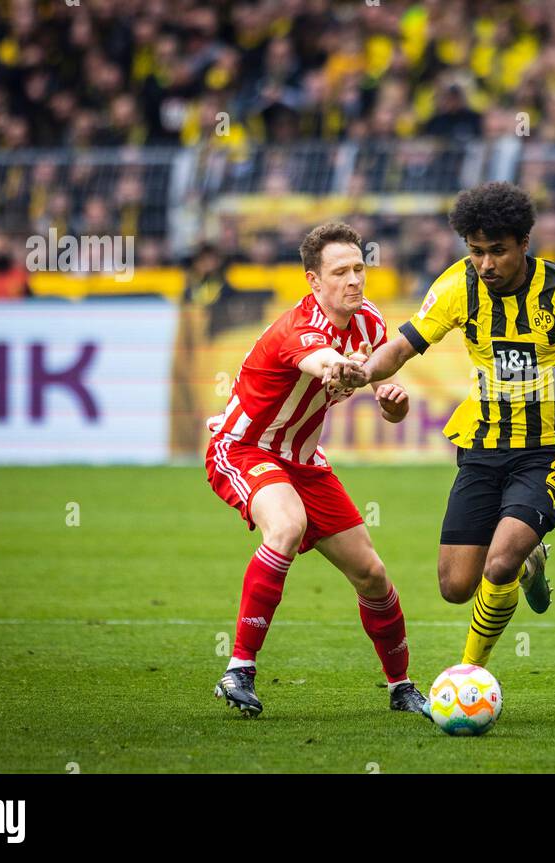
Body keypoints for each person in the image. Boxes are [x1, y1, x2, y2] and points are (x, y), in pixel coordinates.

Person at [348, 182, 555, 670]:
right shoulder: (457, 286)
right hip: (482, 445)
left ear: (524, 243)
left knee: (499, 563)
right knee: (456, 587)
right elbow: (403, 346)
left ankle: (469, 672)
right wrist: (364, 372)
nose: (486, 264)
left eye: (497, 251)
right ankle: (531, 564)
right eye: (476, 252)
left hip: (548, 450)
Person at [205, 222, 426, 717]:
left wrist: (393, 403)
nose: (354, 280)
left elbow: (385, 401)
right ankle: (238, 669)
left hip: (304, 462)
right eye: (340, 272)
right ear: (313, 281)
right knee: (286, 525)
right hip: (245, 448)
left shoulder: (370, 324)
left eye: (359, 269)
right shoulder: (299, 328)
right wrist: (341, 368)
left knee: (372, 574)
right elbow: (323, 361)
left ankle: (401, 687)